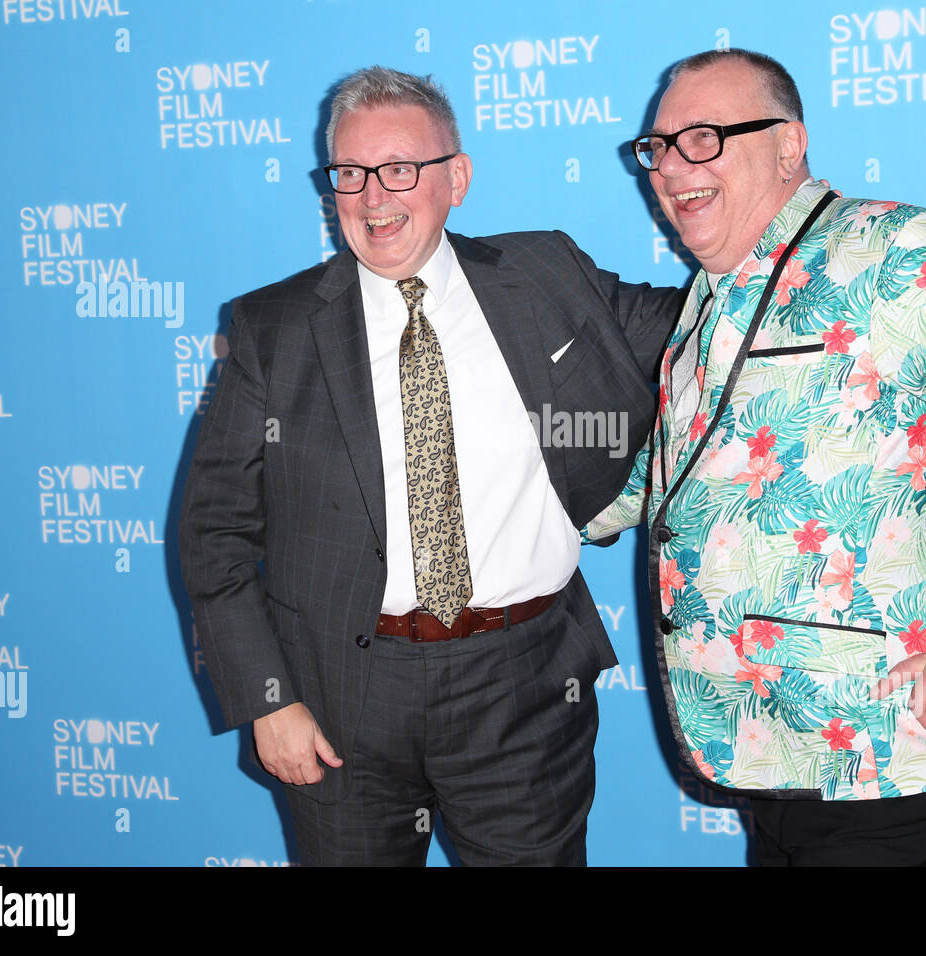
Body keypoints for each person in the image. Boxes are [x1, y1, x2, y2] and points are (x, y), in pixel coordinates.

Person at [587, 49, 926, 865]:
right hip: (778, 755)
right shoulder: (710, 299)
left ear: (790, 146)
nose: (674, 166)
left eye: (705, 138)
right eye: (660, 147)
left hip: (900, 757)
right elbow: (670, 473)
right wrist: (527, 516)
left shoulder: (894, 249)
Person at [179, 66, 681, 866]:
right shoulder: (271, 328)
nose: (374, 198)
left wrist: (793, 231)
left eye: (400, 170)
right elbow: (215, 535)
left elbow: (700, 322)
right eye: (350, 173)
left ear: (458, 178)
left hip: (523, 686)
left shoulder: (545, 274)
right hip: (339, 697)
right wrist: (268, 700)